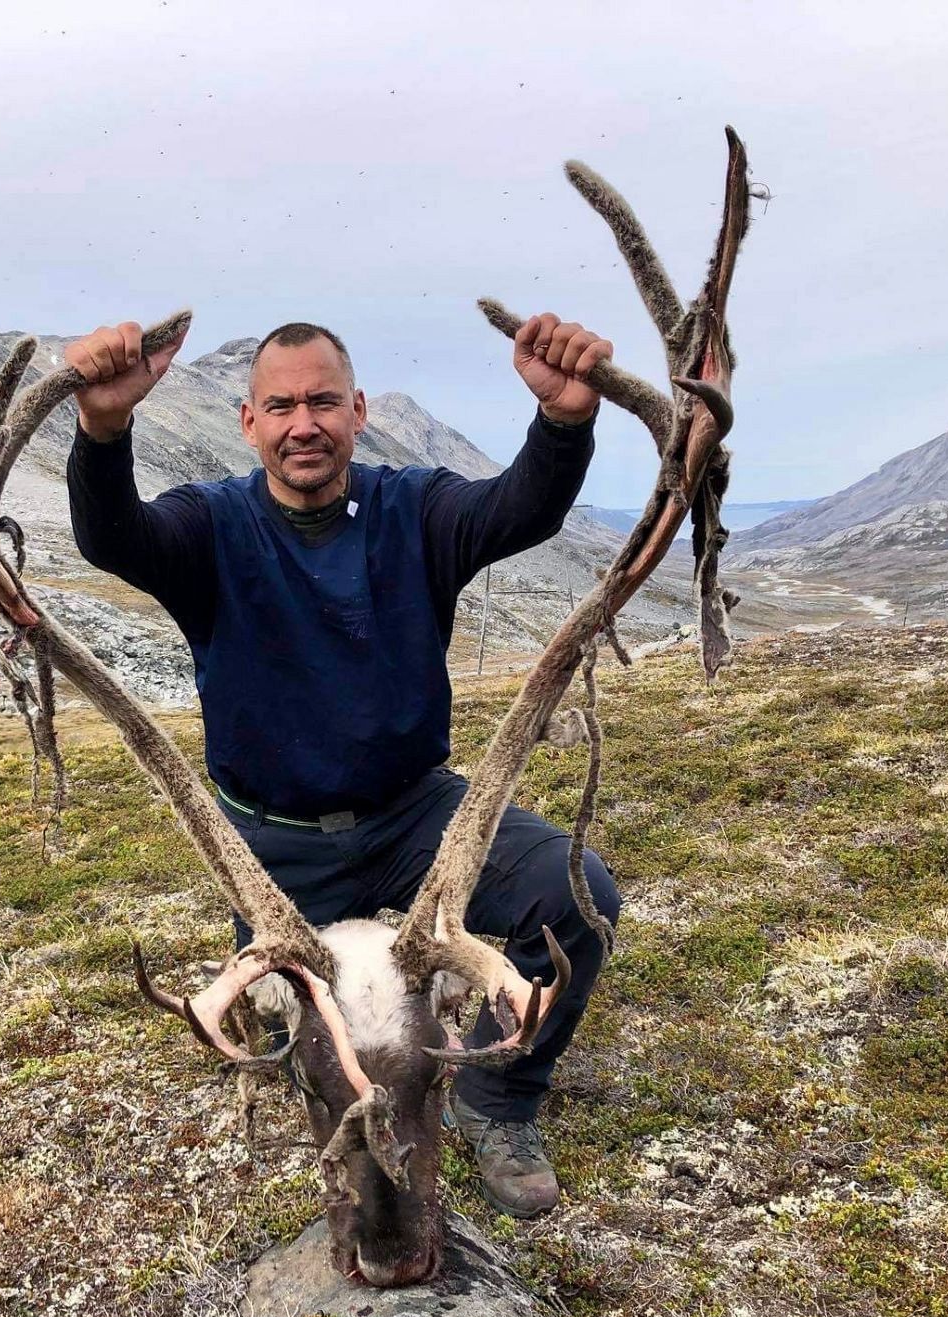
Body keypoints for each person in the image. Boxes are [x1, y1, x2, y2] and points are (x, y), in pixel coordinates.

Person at [63, 314, 621, 1218]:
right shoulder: (211, 526)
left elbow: (518, 506)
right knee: (311, 1045)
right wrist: (102, 430)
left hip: (416, 819)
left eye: (323, 400)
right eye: (280, 405)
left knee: (576, 895)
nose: (303, 423)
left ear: (358, 411)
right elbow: (114, 537)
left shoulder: (415, 509)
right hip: (274, 843)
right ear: (249, 424)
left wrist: (561, 425)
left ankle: (497, 1104)